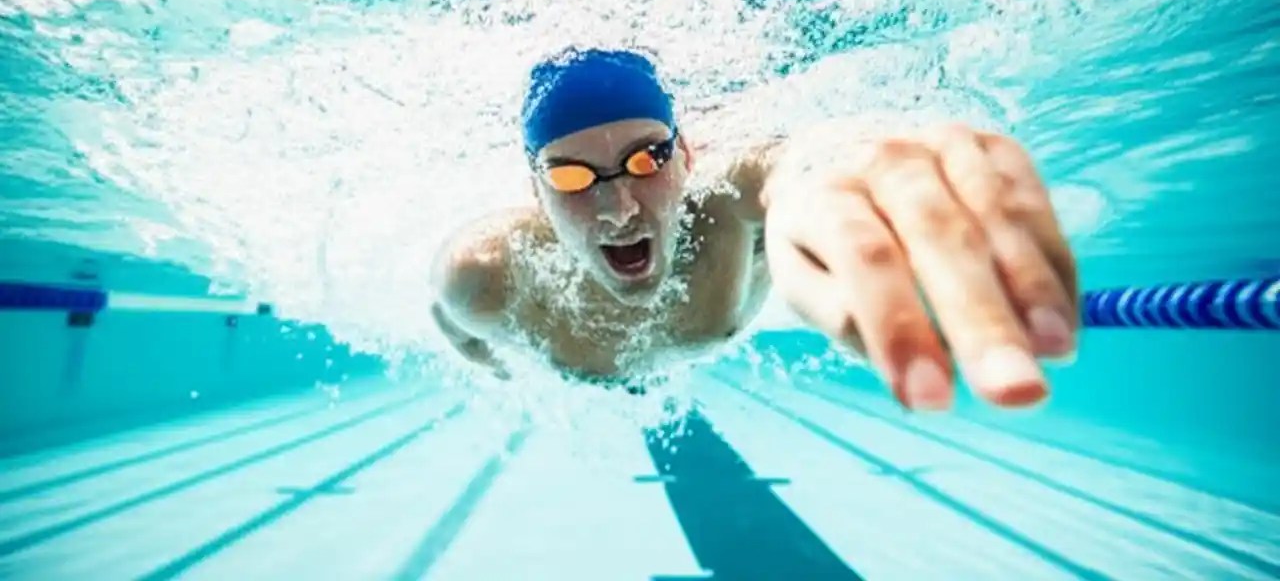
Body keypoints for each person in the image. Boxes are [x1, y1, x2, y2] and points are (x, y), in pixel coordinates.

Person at [430, 47, 1078, 410]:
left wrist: (837, 171)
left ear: (687, 157)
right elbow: (461, 332)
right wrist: (500, 371)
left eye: (647, 158)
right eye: (571, 178)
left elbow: (788, 164)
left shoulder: (727, 211)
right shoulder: (487, 279)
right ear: (534, 193)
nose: (618, 208)